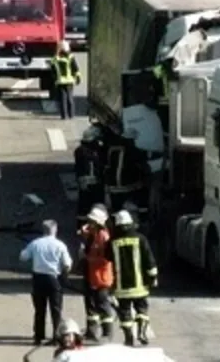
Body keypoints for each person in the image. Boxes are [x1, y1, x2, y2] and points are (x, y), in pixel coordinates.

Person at [107, 210, 158, 347]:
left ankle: (128, 338)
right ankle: (141, 332)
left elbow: (107, 258)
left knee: (125, 313)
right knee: (142, 309)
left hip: (121, 287)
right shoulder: (140, 238)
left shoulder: (113, 242)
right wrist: (153, 276)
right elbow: (149, 259)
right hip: (140, 285)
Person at [20, 220, 74, 346]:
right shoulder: (60, 245)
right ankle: (57, 336)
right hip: (54, 279)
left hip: (38, 279)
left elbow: (23, 257)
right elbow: (67, 264)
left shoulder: (35, 243)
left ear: (43, 230)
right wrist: (64, 275)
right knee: (56, 310)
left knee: (39, 309)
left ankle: (38, 336)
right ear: (55, 230)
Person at [78, 204, 115, 342]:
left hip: (101, 278)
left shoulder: (103, 237)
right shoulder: (93, 234)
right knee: (90, 305)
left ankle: (107, 333)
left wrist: (86, 257)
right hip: (91, 276)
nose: (89, 223)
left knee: (103, 306)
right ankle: (91, 331)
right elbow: (85, 233)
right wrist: (84, 229)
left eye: (92, 221)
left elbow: (104, 259)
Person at [73, 127, 107, 217]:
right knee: (96, 207)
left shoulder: (80, 150)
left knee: (84, 207)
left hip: (86, 184)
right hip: (94, 184)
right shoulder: (89, 151)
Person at [50, 42, 81, 120]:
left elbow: (53, 70)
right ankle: (71, 115)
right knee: (70, 99)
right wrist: (78, 78)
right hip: (69, 82)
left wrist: (54, 80)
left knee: (63, 100)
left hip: (60, 82)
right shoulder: (70, 57)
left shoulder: (55, 59)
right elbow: (76, 68)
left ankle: (64, 116)